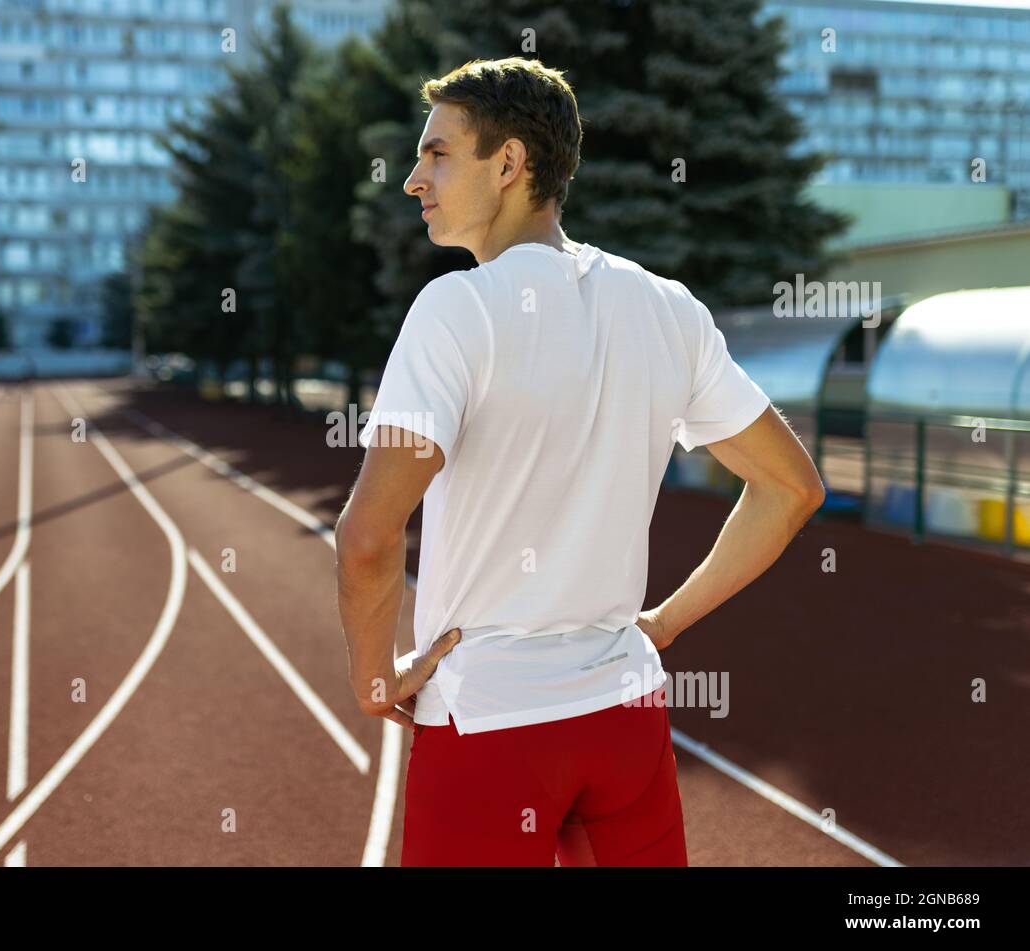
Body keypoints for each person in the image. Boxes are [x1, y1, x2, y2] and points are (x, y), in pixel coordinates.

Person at [333, 57, 825, 866]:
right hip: (624, 716)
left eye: (437, 154)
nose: (413, 178)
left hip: (487, 727)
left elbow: (368, 537)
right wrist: (663, 623)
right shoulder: (666, 307)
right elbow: (792, 488)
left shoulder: (456, 309)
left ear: (510, 162)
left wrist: (372, 675)